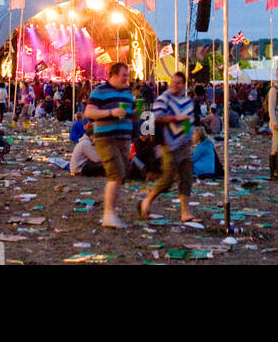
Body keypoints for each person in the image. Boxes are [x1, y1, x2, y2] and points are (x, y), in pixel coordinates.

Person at [84, 62, 135, 228]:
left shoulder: (127, 92)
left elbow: (130, 113)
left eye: (127, 75)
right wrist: (111, 113)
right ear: (113, 75)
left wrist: (135, 115)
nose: (126, 78)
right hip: (106, 138)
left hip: (124, 138)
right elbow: (89, 112)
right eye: (124, 75)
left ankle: (111, 211)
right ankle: (108, 214)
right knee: (116, 174)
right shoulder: (100, 91)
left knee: (121, 175)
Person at [140, 72, 197, 222]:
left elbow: (188, 121)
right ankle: (148, 200)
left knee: (186, 178)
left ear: (184, 84)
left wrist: (188, 135)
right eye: (173, 82)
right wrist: (175, 118)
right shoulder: (163, 99)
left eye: (178, 83)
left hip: (184, 145)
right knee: (168, 178)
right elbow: (156, 117)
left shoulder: (187, 102)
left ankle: (186, 212)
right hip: (168, 144)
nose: (175, 85)